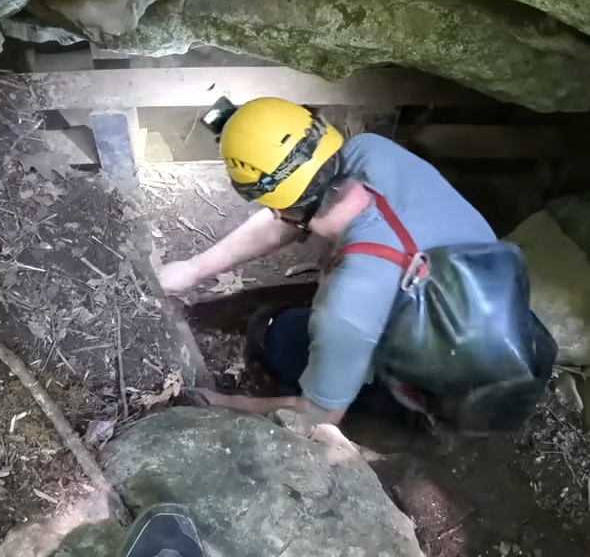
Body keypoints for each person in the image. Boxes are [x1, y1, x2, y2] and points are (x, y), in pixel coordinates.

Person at [159, 97, 557, 434]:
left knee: (271, 333)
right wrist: (194, 269)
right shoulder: (371, 152)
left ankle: (410, 418)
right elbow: (294, 211)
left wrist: (226, 404)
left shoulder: (348, 304)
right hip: (514, 334)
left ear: (278, 207)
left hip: (459, 400)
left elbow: (318, 417)